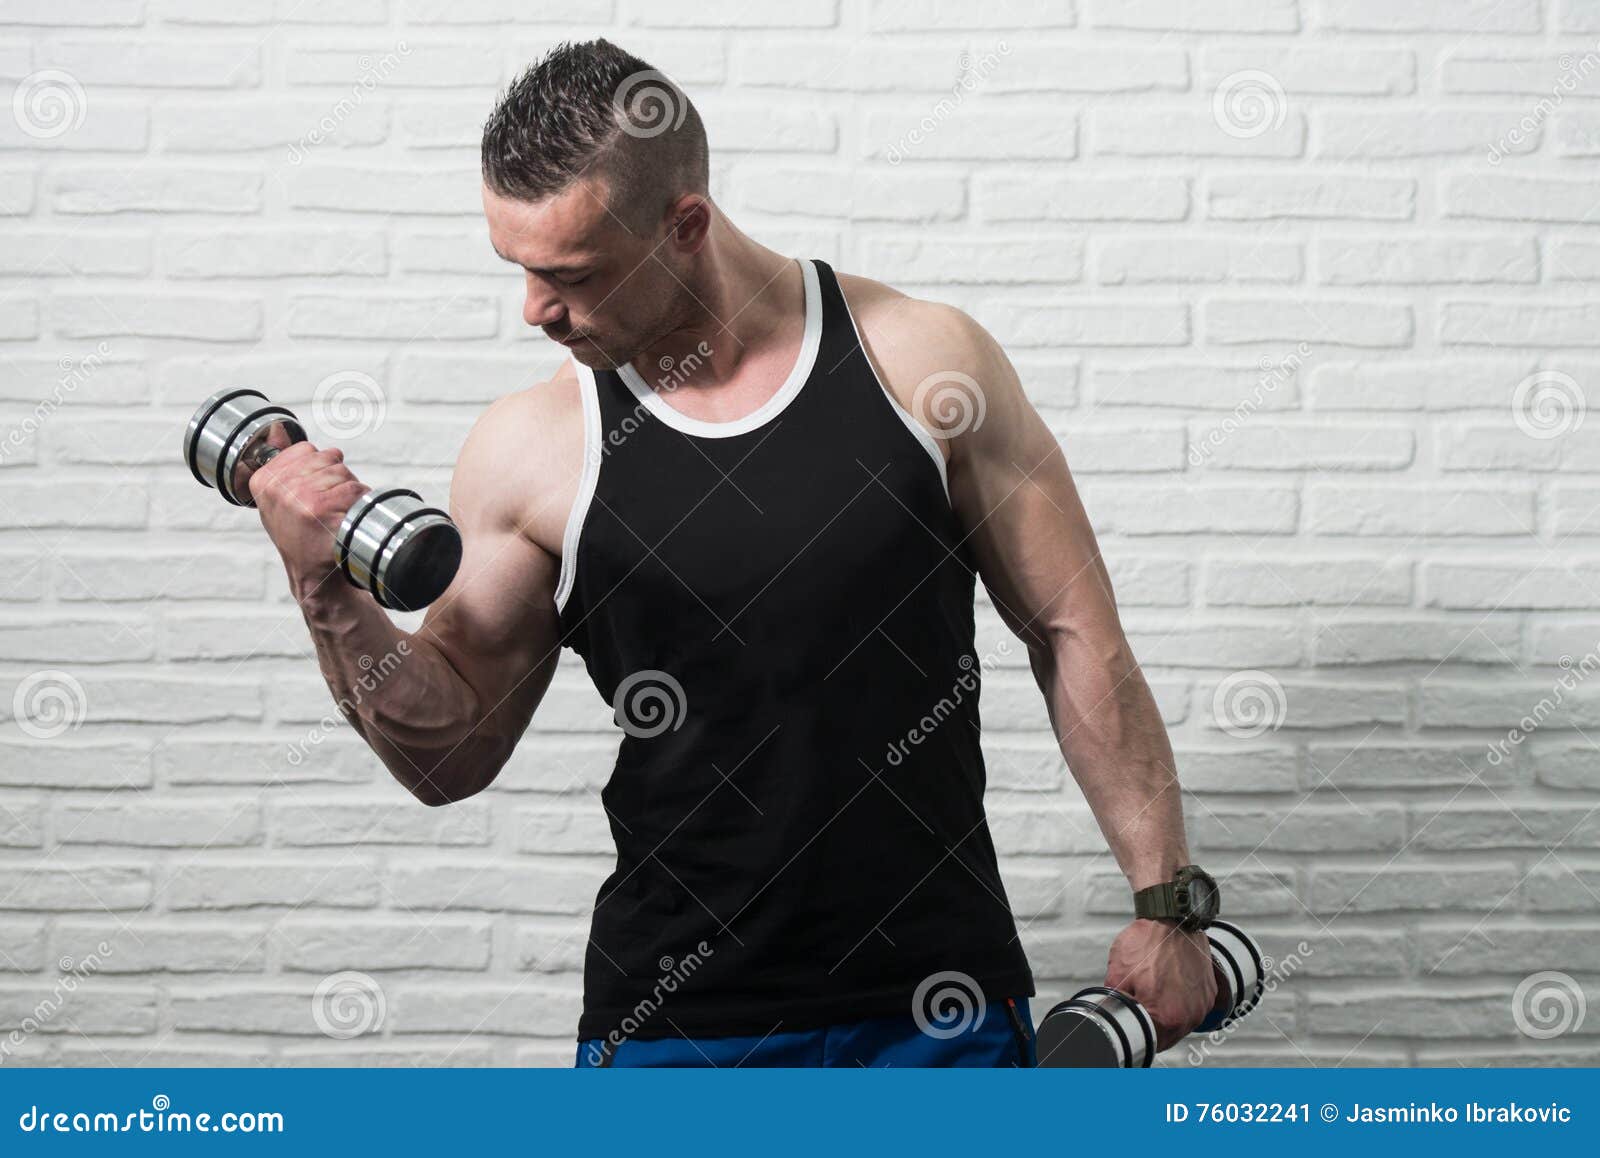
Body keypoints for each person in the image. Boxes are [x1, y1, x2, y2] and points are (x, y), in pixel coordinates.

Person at [249, 38, 1217, 1067]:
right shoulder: (534, 449)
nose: (535, 310)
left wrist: (1167, 902)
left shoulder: (923, 364)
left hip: (942, 1007)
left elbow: (1073, 629)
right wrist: (325, 589)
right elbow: (448, 757)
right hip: (675, 1026)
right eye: (519, 269)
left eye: (572, 275)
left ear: (685, 227)